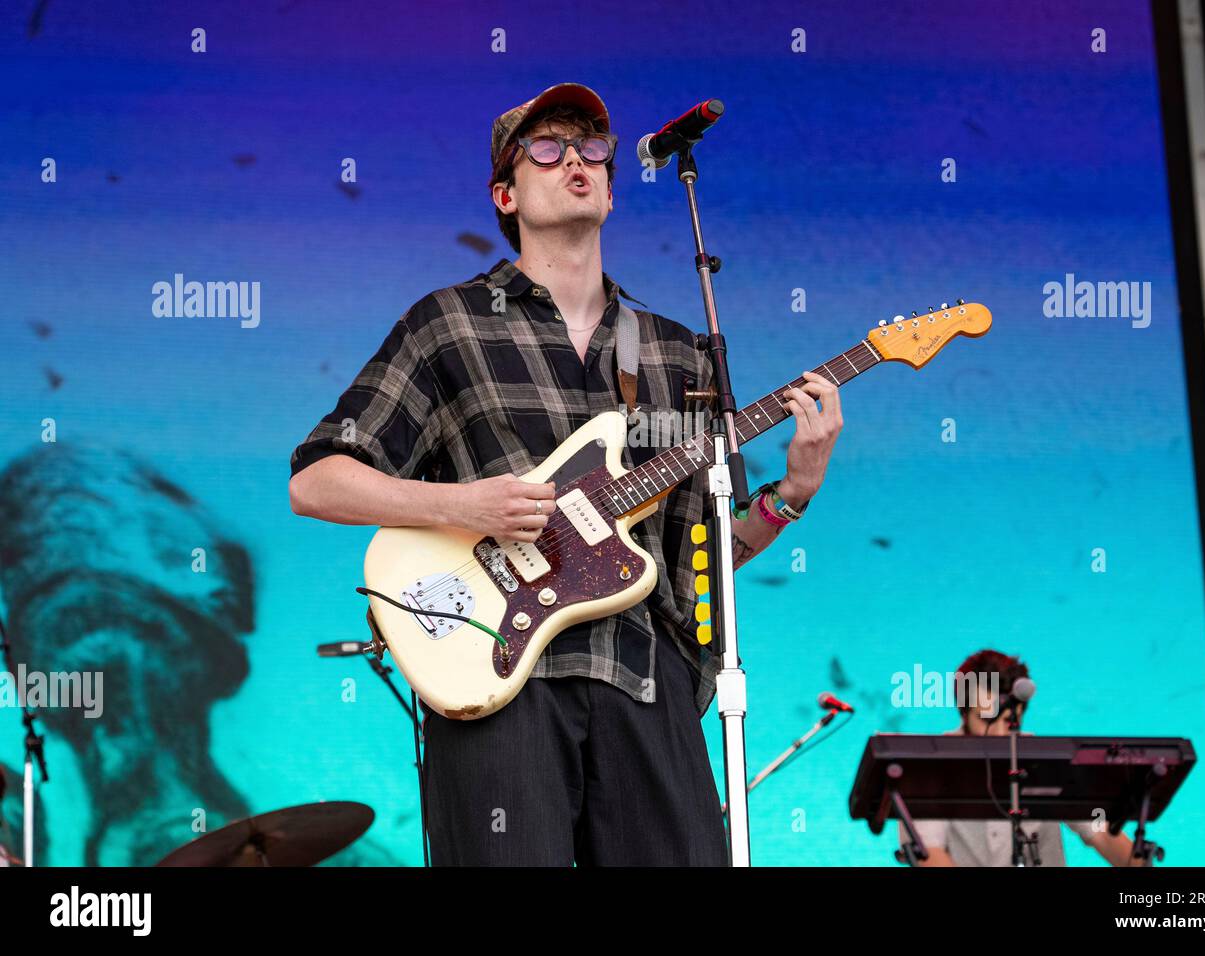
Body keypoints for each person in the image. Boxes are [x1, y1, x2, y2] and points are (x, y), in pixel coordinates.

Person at [288, 83, 844, 865]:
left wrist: (791, 495)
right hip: (499, 677)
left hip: (647, 678)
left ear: (613, 191)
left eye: (591, 148)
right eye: (547, 147)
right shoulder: (448, 324)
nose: (574, 160)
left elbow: (705, 561)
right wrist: (461, 504)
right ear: (505, 194)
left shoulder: (679, 354)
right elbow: (316, 480)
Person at [903, 649, 1150, 867]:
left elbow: (1099, 828)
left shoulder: (1048, 760)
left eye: (1009, 721)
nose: (1000, 733)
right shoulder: (932, 768)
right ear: (964, 712)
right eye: (986, 720)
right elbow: (929, 853)